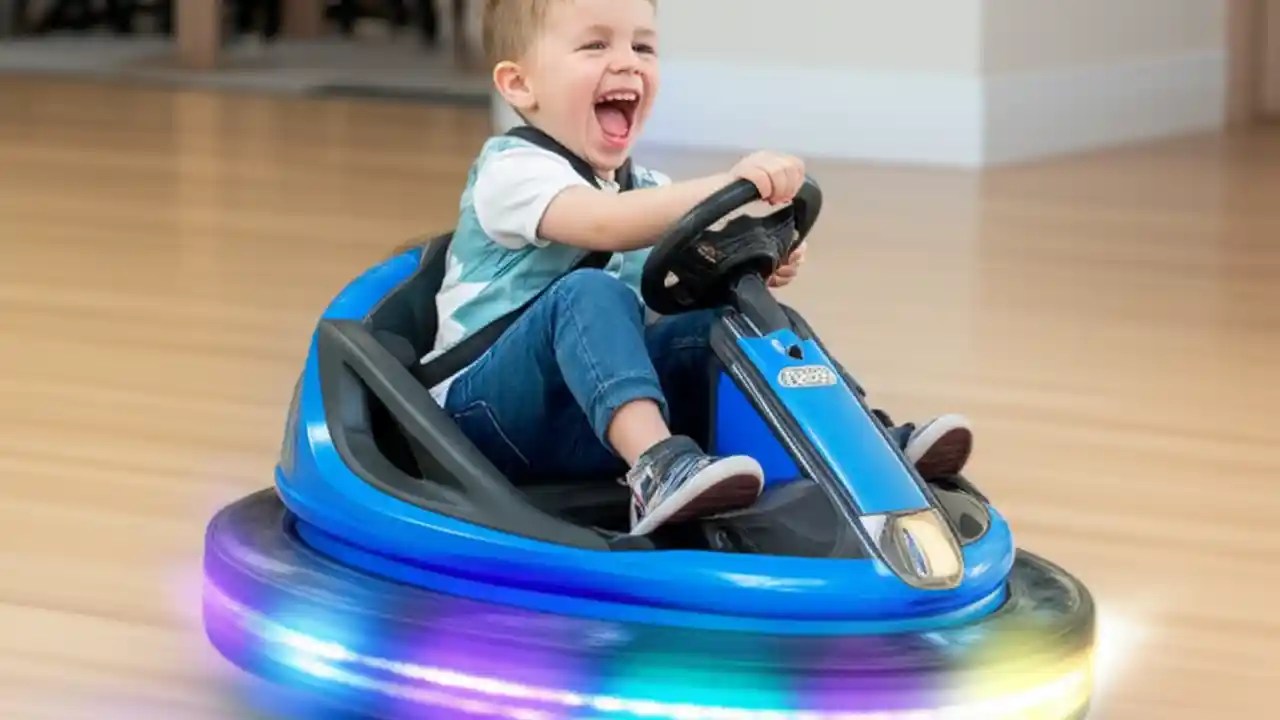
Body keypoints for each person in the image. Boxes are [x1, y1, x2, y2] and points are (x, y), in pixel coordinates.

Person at [420, 0, 973, 535]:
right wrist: (735, 182)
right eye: (594, 44)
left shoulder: (649, 190)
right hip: (486, 416)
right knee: (585, 293)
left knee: (737, 324)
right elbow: (606, 224)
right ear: (520, 84)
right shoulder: (511, 171)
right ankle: (659, 468)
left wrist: (757, 258)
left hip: (588, 411)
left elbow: (692, 264)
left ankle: (859, 443)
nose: (626, 61)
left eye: (642, 46)